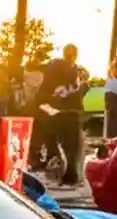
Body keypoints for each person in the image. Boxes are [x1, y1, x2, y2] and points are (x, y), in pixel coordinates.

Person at [36, 44, 88, 186]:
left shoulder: (53, 69)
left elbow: (45, 90)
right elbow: (80, 91)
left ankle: (56, 172)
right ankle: (70, 176)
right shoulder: (77, 71)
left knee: (55, 143)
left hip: (53, 111)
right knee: (72, 146)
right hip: (71, 112)